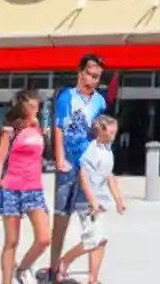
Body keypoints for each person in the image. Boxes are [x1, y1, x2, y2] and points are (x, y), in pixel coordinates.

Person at [43, 54, 107, 283]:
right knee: (62, 218)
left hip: (89, 168)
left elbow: (100, 133)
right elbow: (59, 127)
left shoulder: (100, 101)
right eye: (90, 74)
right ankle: (53, 268)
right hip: (68, 166)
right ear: (80, 72)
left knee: (93, 219)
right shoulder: (66, 97)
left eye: (97, 77)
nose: (93, 80)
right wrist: (60, 159)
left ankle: (93, 276)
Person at [0, 88, 51, 284]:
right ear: (23, 106)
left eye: (37, 105)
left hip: (34, 190)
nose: (36, 108)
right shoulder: (10, 131)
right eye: (32, 105)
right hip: (10, 189)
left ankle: (22, 269)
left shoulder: (39, 128)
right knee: (11, 241)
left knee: (44, 239)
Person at [58, 115, 125, 284]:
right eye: (111, 131)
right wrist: (92, 200)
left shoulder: (108, 150)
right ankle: (64, 261)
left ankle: (93, 278)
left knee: (101, 240)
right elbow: (84, 177)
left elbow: (109, 176)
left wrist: (118, 200)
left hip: (101, 200)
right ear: (100, 131)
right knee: (92, 240)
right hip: (87, 201)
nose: (114, 135)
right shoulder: (91, 150)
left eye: (115, 131)